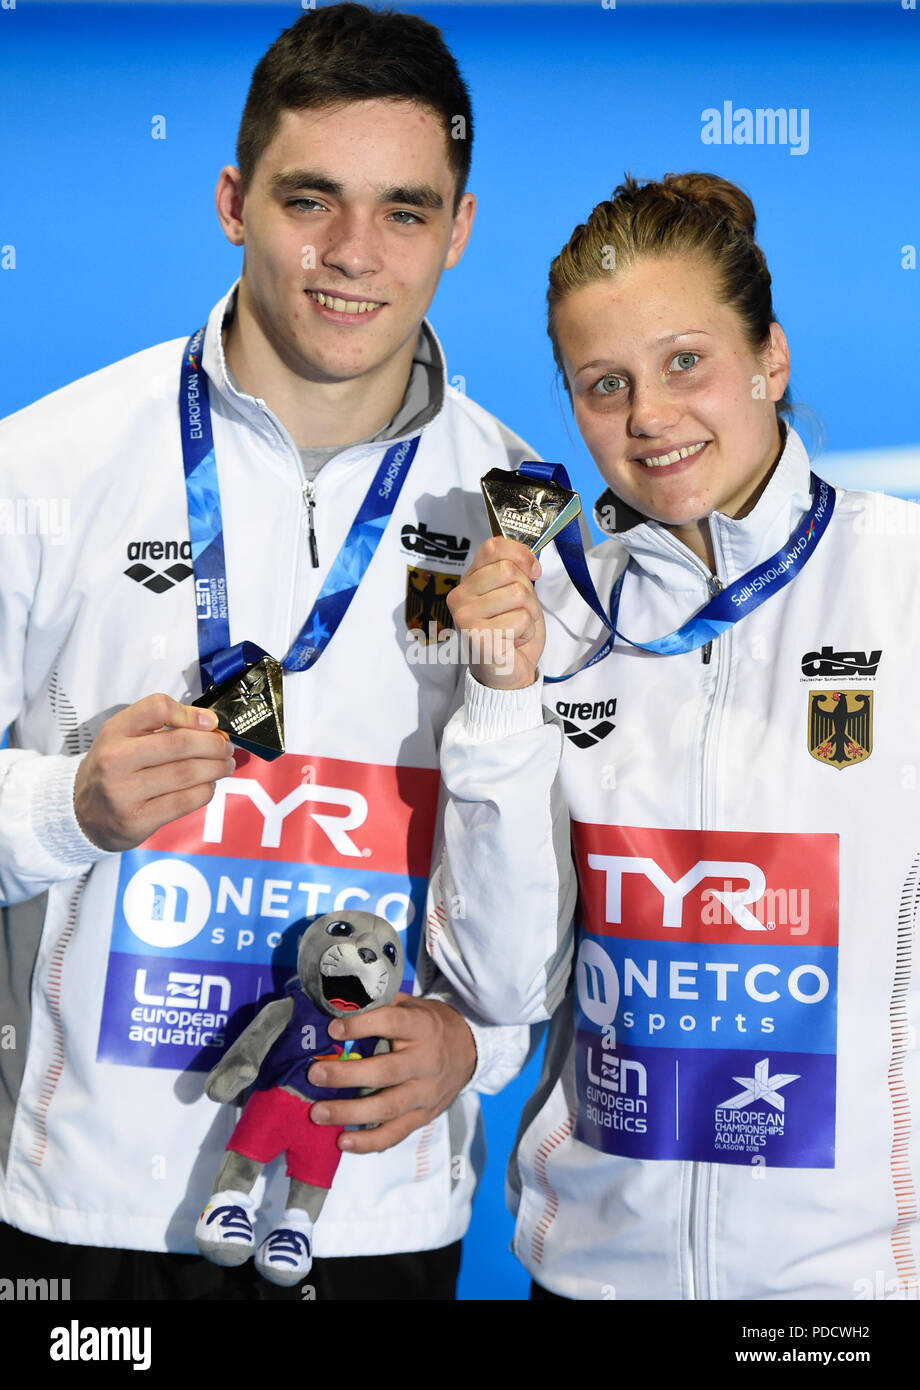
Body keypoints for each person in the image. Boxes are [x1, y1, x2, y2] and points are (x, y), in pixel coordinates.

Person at [0, 3, 532, 1301]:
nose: (354, 255)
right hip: (87, 1207)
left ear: (459, 229)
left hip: (371, 1208)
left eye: (406, 210)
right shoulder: (46, 465)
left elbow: (555, 875)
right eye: (312, 199)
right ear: (234, 198)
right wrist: (64, 806)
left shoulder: (516, 504)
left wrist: (483, 1042)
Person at [430, 172, 920, 1300]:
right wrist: (501, 700)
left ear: (771, 358)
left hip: (843, 1295)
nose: (647, 415)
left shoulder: (900, 582)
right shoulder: (545, 615)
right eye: (604, 385)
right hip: (594, 1282)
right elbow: (499, 983)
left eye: (684, 361)